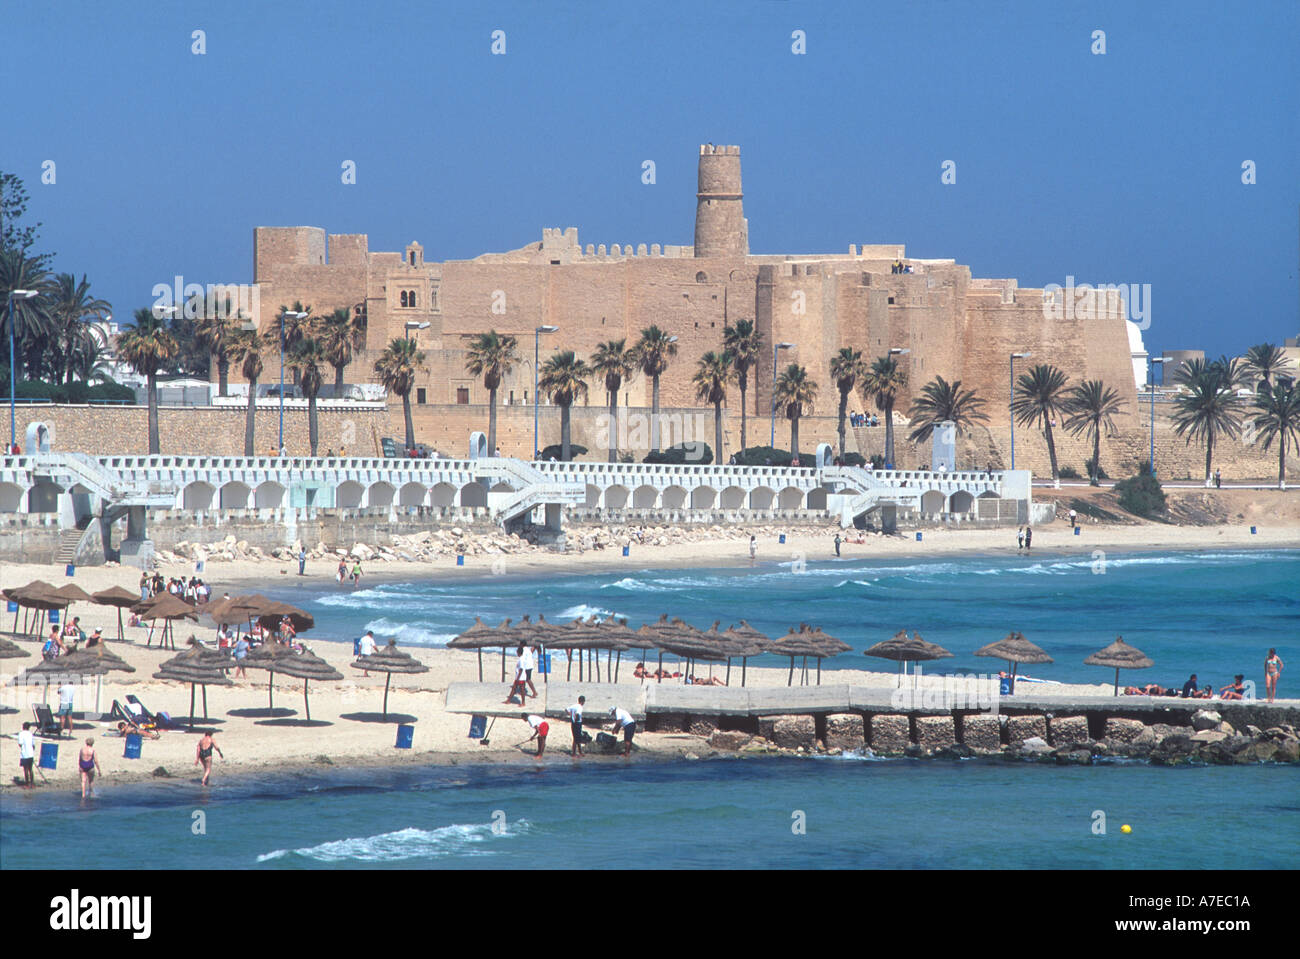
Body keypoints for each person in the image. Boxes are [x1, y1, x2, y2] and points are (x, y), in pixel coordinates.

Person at [17, 722, 35, 788]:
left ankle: (27, 784)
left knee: (25, 769)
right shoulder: (31, 734)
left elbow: (20, 744)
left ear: (23, 727)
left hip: (25, 754)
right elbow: (33, 745)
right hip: (31, 754)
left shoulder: (21, 734)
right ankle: (32, 784)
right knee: (30, 769)